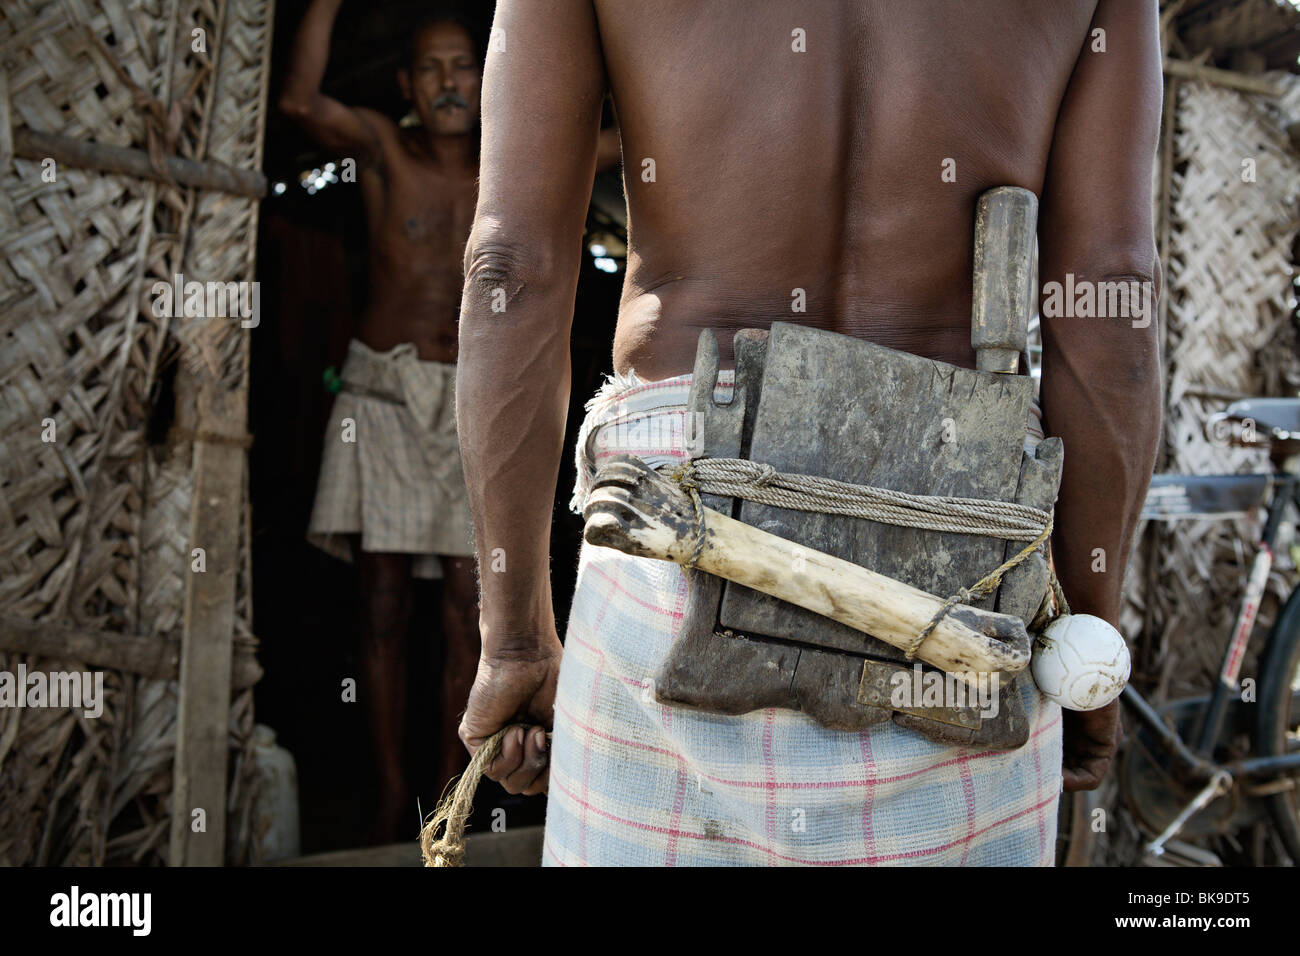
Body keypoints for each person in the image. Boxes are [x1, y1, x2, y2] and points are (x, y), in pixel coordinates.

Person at [456, 0, 1162, 865]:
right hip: (964, 545)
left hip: (672, 514)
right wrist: (1088, 643)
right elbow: (1111, 301)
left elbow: (511, 269)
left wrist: (518, 641)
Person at [280, 1, 485, 842]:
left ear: (485, 78)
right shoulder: (379, 148)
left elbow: (619, 141)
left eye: (463, 67)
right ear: (406, 84)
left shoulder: (515, 160)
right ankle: (388, 793)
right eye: (431, 68)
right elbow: (298, 105)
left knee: (471, 610)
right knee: (383, 607)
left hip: (471, 405)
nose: (447, 83)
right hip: (385, 399)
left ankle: (449, 798)